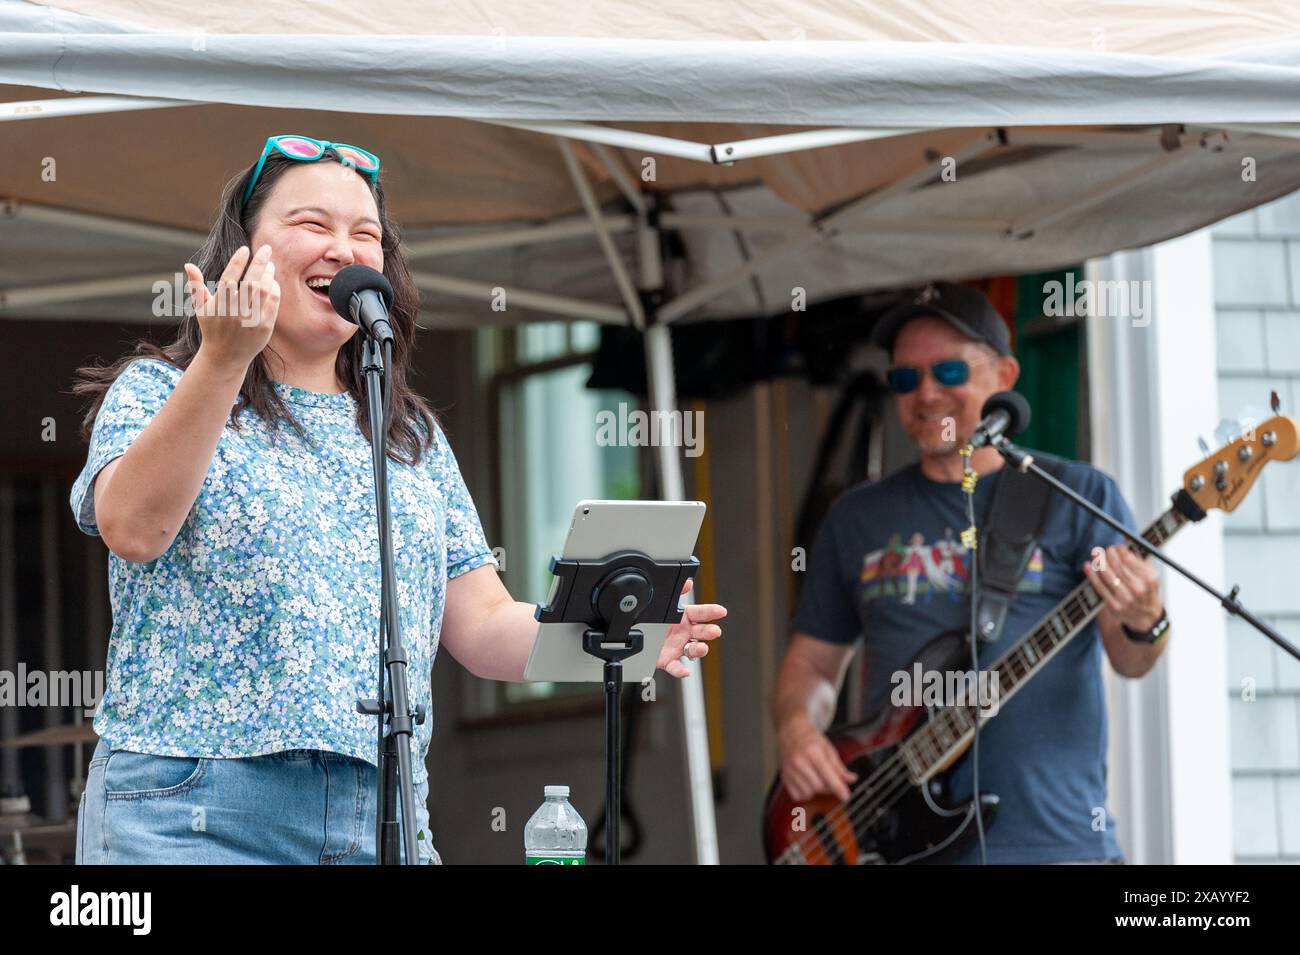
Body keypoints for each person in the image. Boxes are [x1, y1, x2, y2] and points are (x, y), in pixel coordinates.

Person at [69, 135, 726, 864]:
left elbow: (479, 625)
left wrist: (612, 631)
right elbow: (130, 526)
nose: (342, 249)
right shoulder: (159, 390)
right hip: (194, 807)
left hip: (379, 811)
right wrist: (225, 358)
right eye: (312, 225)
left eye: (365, 235)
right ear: (243, 252)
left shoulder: (408, 433)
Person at [772, 281, 1168, 864]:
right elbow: (812, 665)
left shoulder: (1078, 496)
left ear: (1005, 375)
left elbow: (1131, 659)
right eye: (905, 379)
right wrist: (798, 731)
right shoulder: (858, 516)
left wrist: (1146, 620)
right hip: (899, 843)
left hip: (1055, 845)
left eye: (949, 372)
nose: (926, 393)